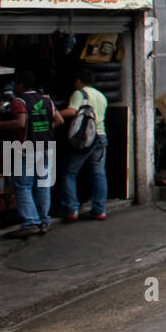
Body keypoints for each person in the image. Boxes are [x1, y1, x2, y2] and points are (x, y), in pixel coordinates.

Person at [0, 70, 62, 237]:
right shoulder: (47, 100)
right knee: (43, 184)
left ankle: (31, 222)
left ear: (20, 85)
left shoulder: (19, 101)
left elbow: (20, 123)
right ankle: (44, 221)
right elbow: (59, 120)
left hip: (27, 148)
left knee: (23, 185)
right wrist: (44, 131)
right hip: (47, 147)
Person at [58, 68, 109, 222]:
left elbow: (72, 111)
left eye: (75, 81)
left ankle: (71, 209)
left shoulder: (79, 94)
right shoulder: (101, 96)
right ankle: (99, 210)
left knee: (69, 173)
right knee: (98, 174)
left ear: (79, 80)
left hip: (84, 138)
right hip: (100, 136)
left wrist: (55, 114)